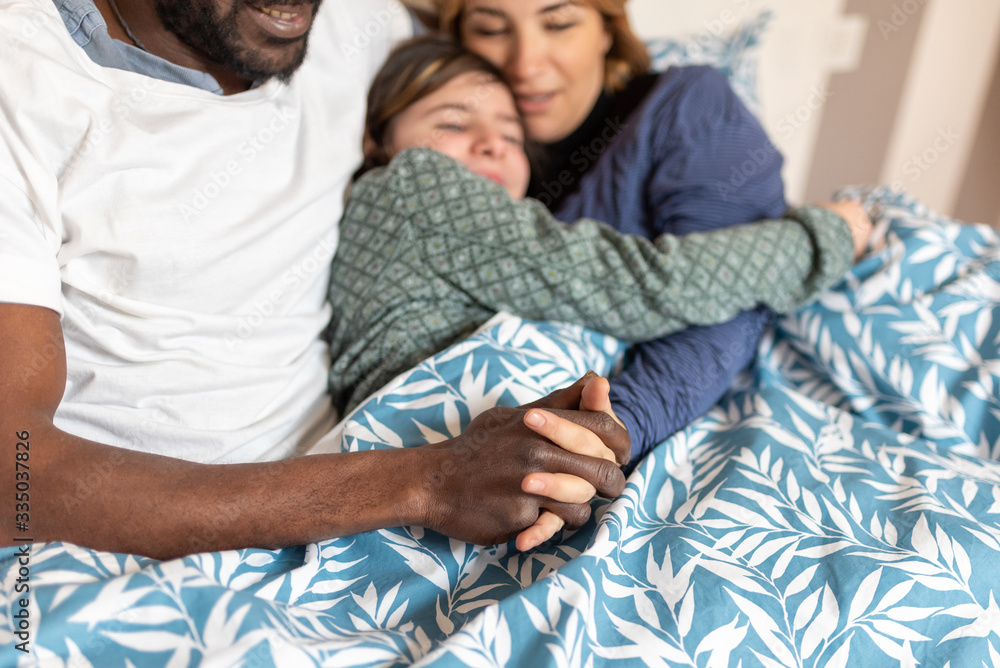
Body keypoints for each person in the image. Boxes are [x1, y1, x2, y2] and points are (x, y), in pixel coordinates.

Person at [0, 0, 635, 559]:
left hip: (364, 491)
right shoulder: (24, 80)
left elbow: (518, 72)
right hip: (130, 549)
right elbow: (14, 478)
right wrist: (430, 483)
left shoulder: (351, 23)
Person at [326, 36, 868, 416]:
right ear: (377, 138)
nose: (493, 142)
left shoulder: (492, 224)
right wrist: (825, 235)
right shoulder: (412, 186)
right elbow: (638, 287)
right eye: (453, 122)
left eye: (513, 136)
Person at [432, 0, 873, 458]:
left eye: (558, 23)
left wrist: (613, 427)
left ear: (608, 29)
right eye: (489, 30)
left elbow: (733, 307)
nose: (525, 64)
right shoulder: (452, 163)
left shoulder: (689, 106)